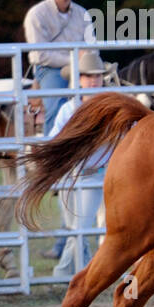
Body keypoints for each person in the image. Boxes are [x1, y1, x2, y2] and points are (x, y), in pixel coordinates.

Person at [49, 51, 115, 278]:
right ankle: (78, 274)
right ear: (78, 78)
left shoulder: (111, 107)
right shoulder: (68, 109)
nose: (93, 80)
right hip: (75, 176)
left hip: (102, 175)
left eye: (97, 76)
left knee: (84, 230)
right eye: (87, 76)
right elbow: (54, 141)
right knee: (79, 232)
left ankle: (67, 275)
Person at [24, 0, 96, 135]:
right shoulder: (37, 14)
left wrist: (88, 62)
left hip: (82, 69)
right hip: (49, 69)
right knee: (56, 105)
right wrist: (75, 59)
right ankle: (51, 151)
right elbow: (40, 55)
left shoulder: (82, 14)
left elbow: (93, 47)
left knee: (107, 98)